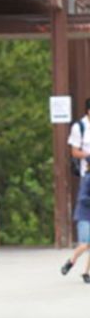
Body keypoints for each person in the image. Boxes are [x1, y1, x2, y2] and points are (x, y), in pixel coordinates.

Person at [62, 98, 90, 282]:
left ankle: (86, 272)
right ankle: (73, 262)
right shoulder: (80, 126)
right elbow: (74, 152)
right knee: (87, 242)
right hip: (86, 173)